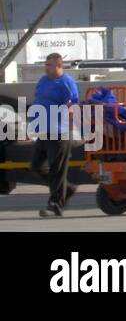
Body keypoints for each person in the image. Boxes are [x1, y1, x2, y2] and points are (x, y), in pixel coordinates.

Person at [29, 53, 79, 218]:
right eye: (46, 64)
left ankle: (56, 205)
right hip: (43, 130)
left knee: (56, 171)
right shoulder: (43, 81)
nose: (46, 67)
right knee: (36, 166)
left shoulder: (66, 83)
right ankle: (67, 189)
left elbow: (73, 105)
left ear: (59, 66)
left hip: (59, 132)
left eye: (50, 65)